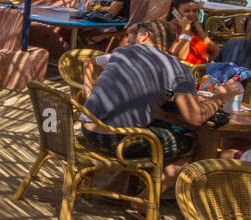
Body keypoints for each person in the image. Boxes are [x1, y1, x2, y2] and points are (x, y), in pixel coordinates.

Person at [82, 21, 242, 192]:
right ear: (171, 44)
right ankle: (146, 200)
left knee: (151, 130)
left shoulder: (121, 52)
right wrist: (219, 97)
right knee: (193, 144)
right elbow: (195, 118)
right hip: (119, 141)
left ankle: (116, 186)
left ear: (144, 36)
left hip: (89, 130)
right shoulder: (179, 69)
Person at [168, 0, 218, 65]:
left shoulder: (195, 27)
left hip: (204, 71)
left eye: (195, 11)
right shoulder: (168, 29)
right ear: (175, 11)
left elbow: (214, 51)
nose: (192, 14)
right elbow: (181, 56)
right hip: (187, 72)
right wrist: (185, 30)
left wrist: (199, 31)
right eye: (187, 11)